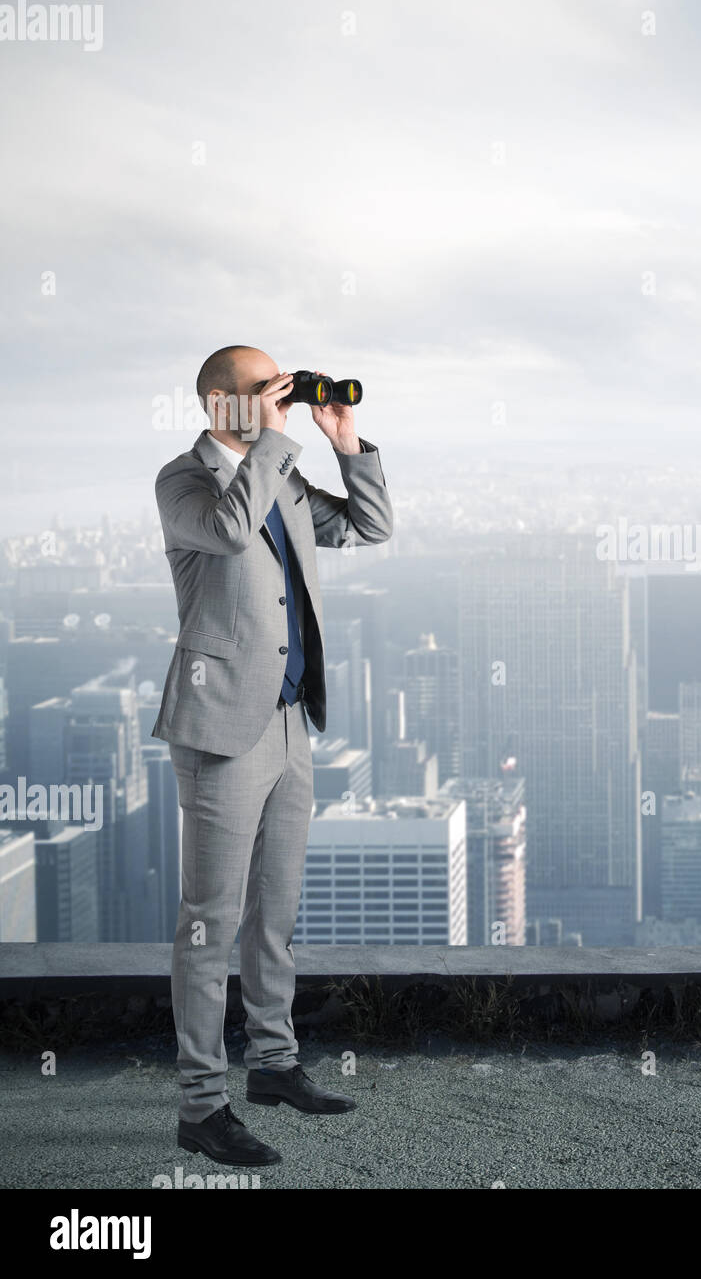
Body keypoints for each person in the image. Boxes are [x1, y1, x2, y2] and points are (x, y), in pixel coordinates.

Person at [152, 345, 394, 1165]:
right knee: (207, 925)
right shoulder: (184, 483)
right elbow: (227, 530)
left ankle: (275, 1064)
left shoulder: (281, 472)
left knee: (276, 916)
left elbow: (370, 526)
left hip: (292, 722)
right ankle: (201, 1104)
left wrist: (342, 438)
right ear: (220, 401)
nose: (280, 397)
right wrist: (272, 446)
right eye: (265, 388)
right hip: (222, 728)